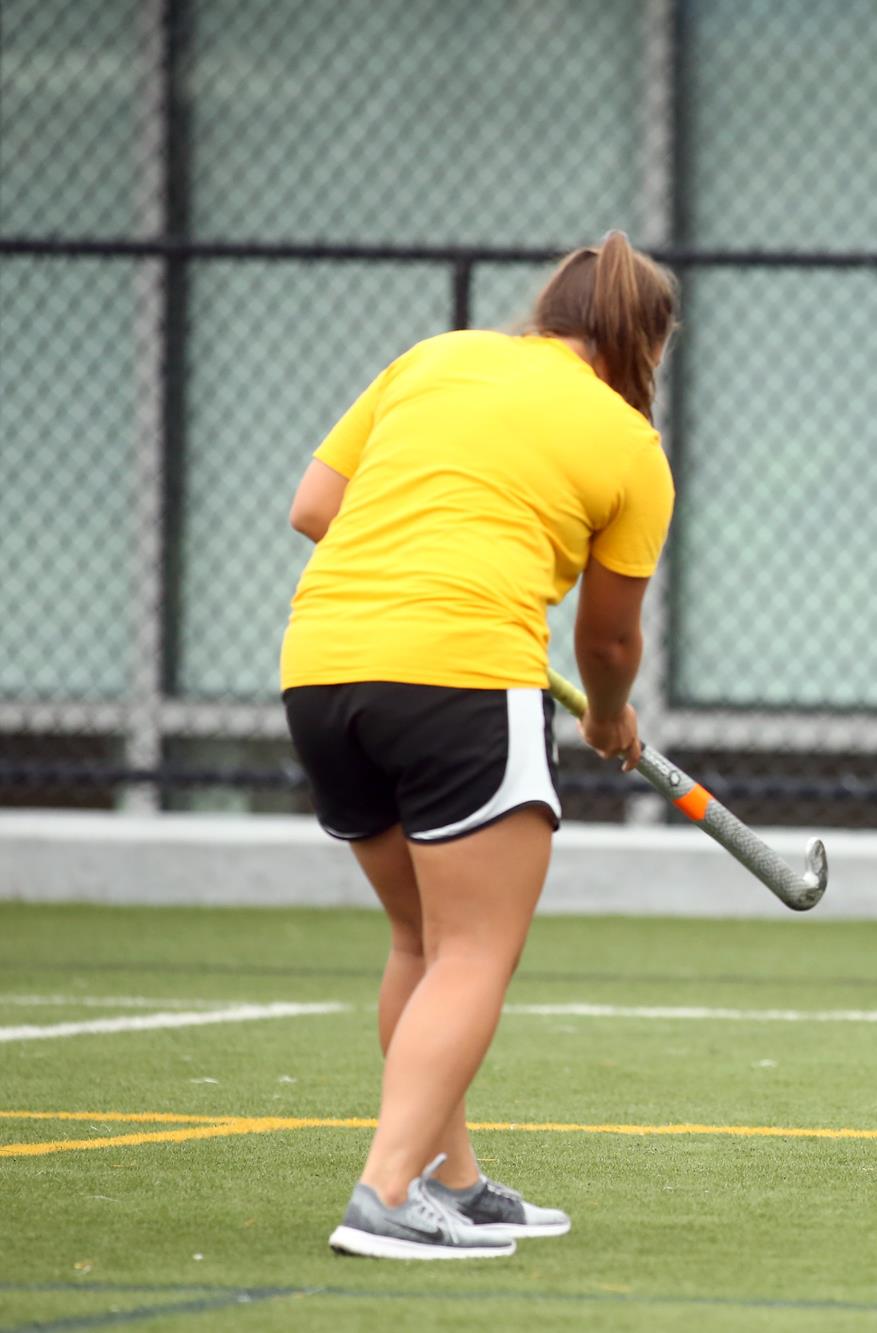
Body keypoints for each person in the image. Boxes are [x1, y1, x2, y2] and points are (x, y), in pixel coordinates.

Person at [280, 231, 678, 1259]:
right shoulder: (628, 442)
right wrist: (608, 712)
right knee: (469, 951)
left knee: (421, 942)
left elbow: (315, 508)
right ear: (641, 343)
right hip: (459, 677)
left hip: (320, 669)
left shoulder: (435, 357)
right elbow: (609, 641)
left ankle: (448, 1181)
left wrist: (416, 549)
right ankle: (383, 1193)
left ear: (550, 311)